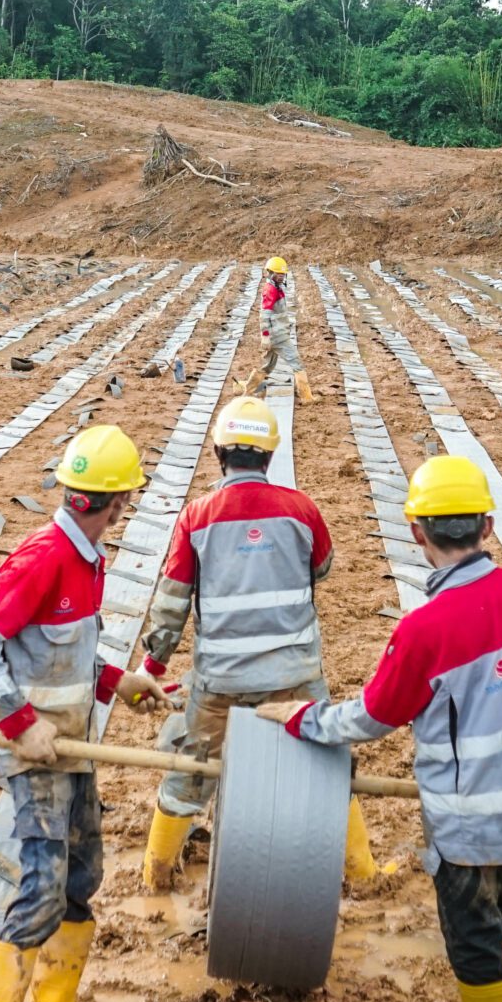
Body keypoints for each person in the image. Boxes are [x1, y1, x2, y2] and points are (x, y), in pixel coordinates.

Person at [258, 455, 502, 1002]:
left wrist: (302, 718)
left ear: (417, 533)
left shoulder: (425, 629)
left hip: (466, 831)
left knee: (475, 940)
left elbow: (373, 717)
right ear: (487, 526)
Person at [0, 423, 163, 1002]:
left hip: (73, 745)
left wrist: (119, 681)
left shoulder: (88, 561)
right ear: (119, 504)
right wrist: (19, 723)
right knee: (43, 889)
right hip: (36, 751)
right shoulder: (45, 558)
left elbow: (59, 656)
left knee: (82, 877)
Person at [136, 395, 375, 893]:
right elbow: (322, 567)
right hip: (295, 676)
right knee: (329, 764)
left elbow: (172, 600)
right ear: (269, 456)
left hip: (220, 681)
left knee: (192, 767)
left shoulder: (197, 516)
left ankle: (156, 874)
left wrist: (152, 666)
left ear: (218, 453)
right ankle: (362, 874)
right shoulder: (302, 510)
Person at [243, 256, 314, 403]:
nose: (281, 276)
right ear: (270, 273)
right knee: (296, 363)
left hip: (277, 333)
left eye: (283, 274)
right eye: (278, 273)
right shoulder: (270, 290)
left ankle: (247, 392)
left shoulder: (276, 288)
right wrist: (265, 336)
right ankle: (306, 397)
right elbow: (264, 315)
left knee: (267, 366)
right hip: (277, 335)